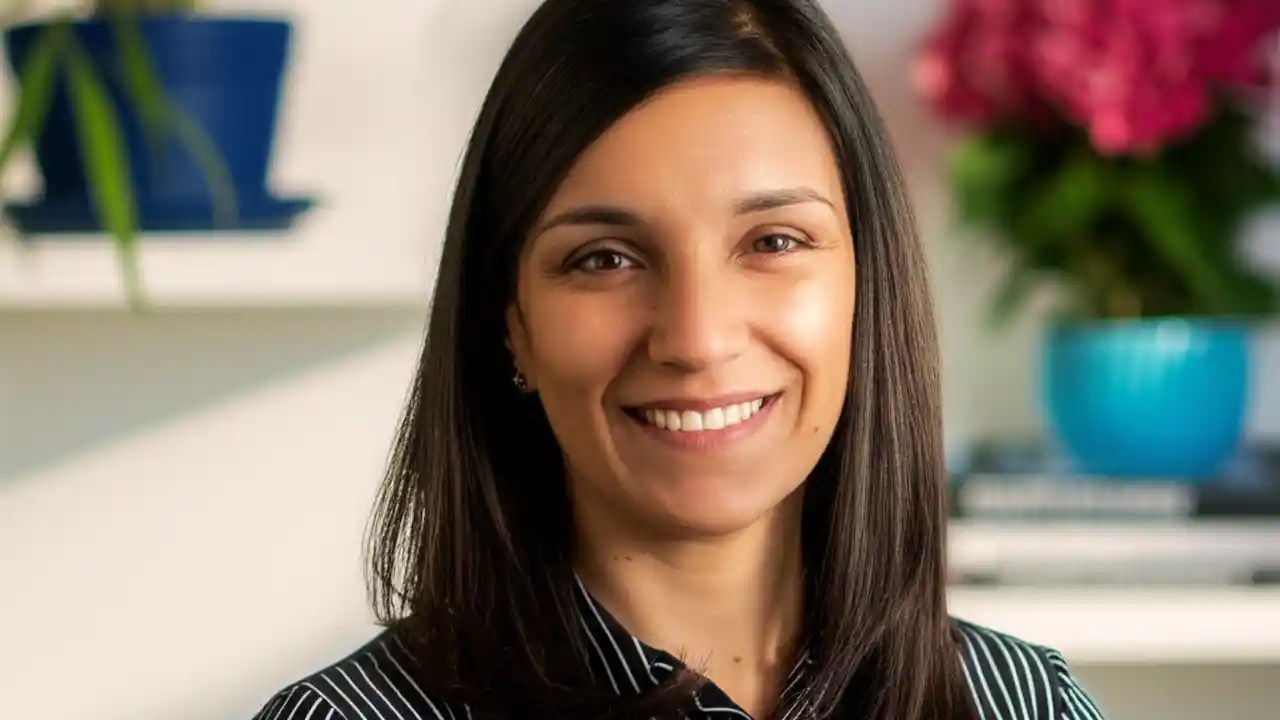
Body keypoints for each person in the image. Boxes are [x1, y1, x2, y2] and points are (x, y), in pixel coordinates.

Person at [252, 0, 1107, 718]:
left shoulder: (1024, 702)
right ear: (510, 322)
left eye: (773, 241)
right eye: (605, 259)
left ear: (866, 285)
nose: (697, 339)